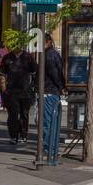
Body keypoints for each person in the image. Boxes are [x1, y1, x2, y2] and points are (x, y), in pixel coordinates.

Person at [0, 47, 36, 144]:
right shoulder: (7, 57)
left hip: (25, 91)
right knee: (12, 115)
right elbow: (2, 74)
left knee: (24, 114)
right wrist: (4, 90)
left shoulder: (28, 57)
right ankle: (13, 136)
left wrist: (33, 88)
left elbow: (34, 72)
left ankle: (23, 135)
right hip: (11, 91)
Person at [41, 33, 66, 165]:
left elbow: (54, 73)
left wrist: (61, 86)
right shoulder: (53, 54)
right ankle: (52, 151)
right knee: (52, 123)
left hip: (49, 91)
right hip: (53, 91)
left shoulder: (48, 55)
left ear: (48, 41)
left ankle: (49, 150)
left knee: (49, 123)